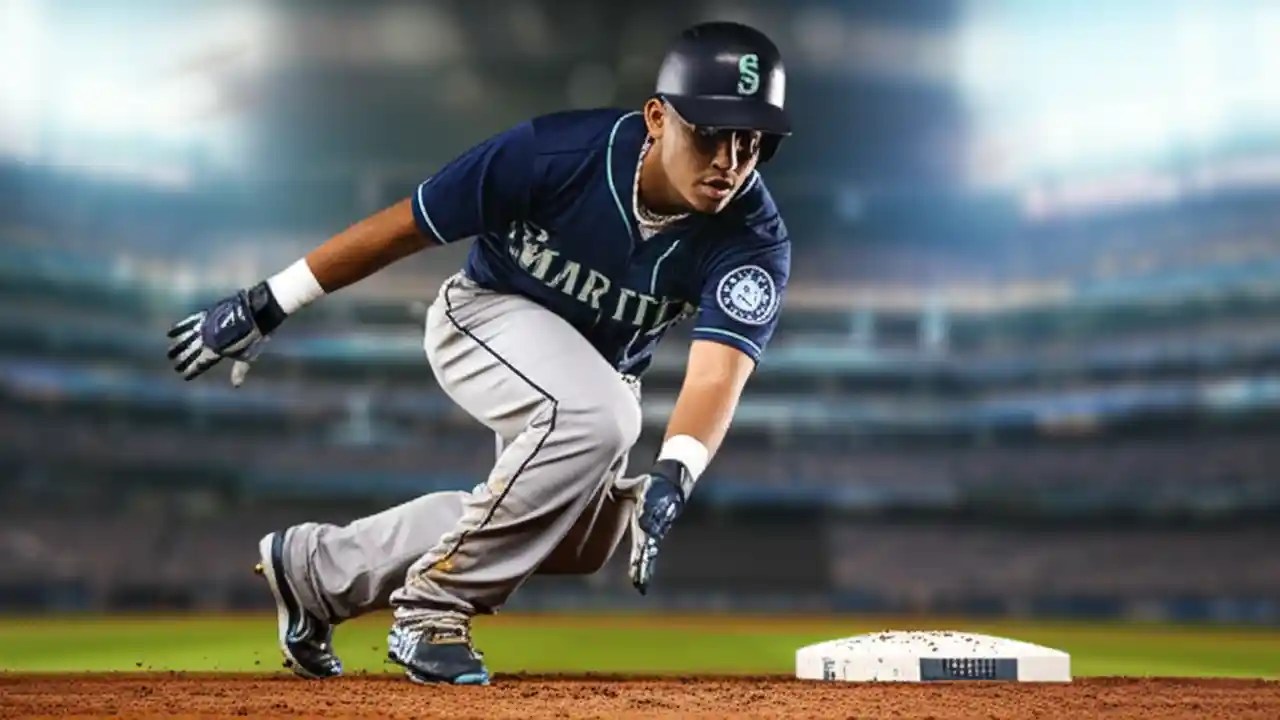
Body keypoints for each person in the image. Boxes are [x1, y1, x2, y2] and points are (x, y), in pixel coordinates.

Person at [166, 21, 792, 686]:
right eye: (710, 133)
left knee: (575, 540)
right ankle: (430, 610)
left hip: (596, 375)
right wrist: (269, 301)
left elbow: (719, 368)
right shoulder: (556, 153)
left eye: (750, 140)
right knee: (604, 418)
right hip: (485, 318)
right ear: (659, 117)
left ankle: (317, 570)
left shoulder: (753, 236)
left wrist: (676, 472)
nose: (729, 158)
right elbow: (405, 227)